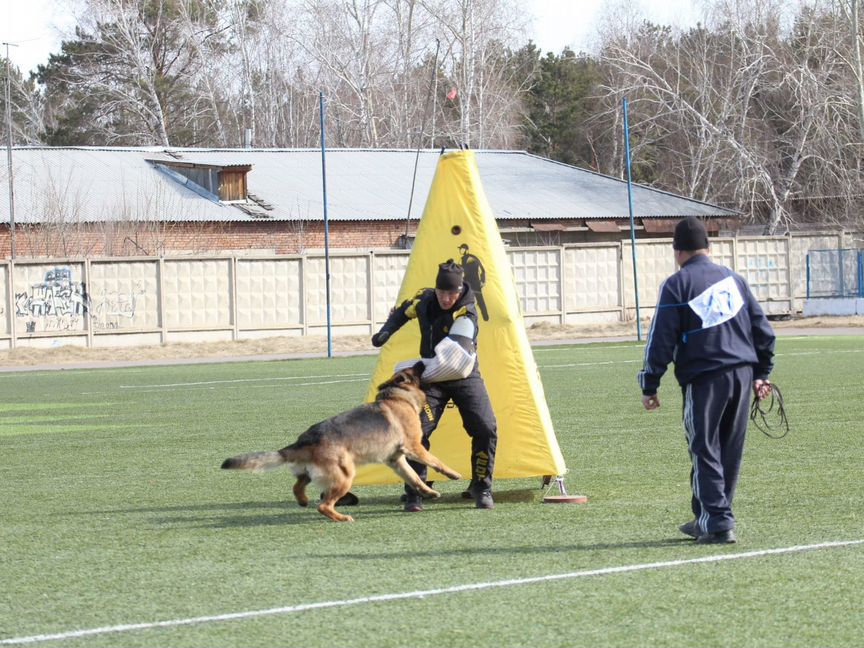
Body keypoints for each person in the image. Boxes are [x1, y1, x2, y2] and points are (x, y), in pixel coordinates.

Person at [638, 217, 776, 544]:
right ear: (709, 248)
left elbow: (661, 339)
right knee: (727, 451)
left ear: (677, 251)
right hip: (743, 376)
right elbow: (764, 333)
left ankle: (718, 522)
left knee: (704, 448)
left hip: (705, 377)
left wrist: (650, 383)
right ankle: (707, 516)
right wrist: (762, 374)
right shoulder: (734, 280)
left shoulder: (676, 284)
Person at [372, 259, 498, 512]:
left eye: (451, 293)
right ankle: (416, 491)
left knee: (485, 427)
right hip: (429, 379)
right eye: (441, 292)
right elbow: (402, 312)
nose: (446, 298)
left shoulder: (467, 310)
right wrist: (385, 332)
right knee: (415, 432)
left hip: (463, 375)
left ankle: (481, 487)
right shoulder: (424, 300)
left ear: (460, 290)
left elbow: (458, 346)